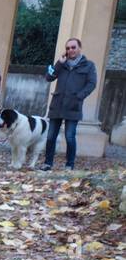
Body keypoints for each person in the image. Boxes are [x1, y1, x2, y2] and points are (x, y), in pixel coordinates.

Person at [43, 38, 98, 171]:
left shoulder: (89, 65)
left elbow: (92, 84)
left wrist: (79, 96)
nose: (70, 50)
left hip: (73, 106)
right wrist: (58, 64)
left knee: (69, 136)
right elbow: (48, 77)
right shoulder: (62, 64)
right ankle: (47, 163)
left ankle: (69, 164)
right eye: (68, 48)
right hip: (57, 105)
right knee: (50, 136)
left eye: (73, 47)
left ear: (79, 48)